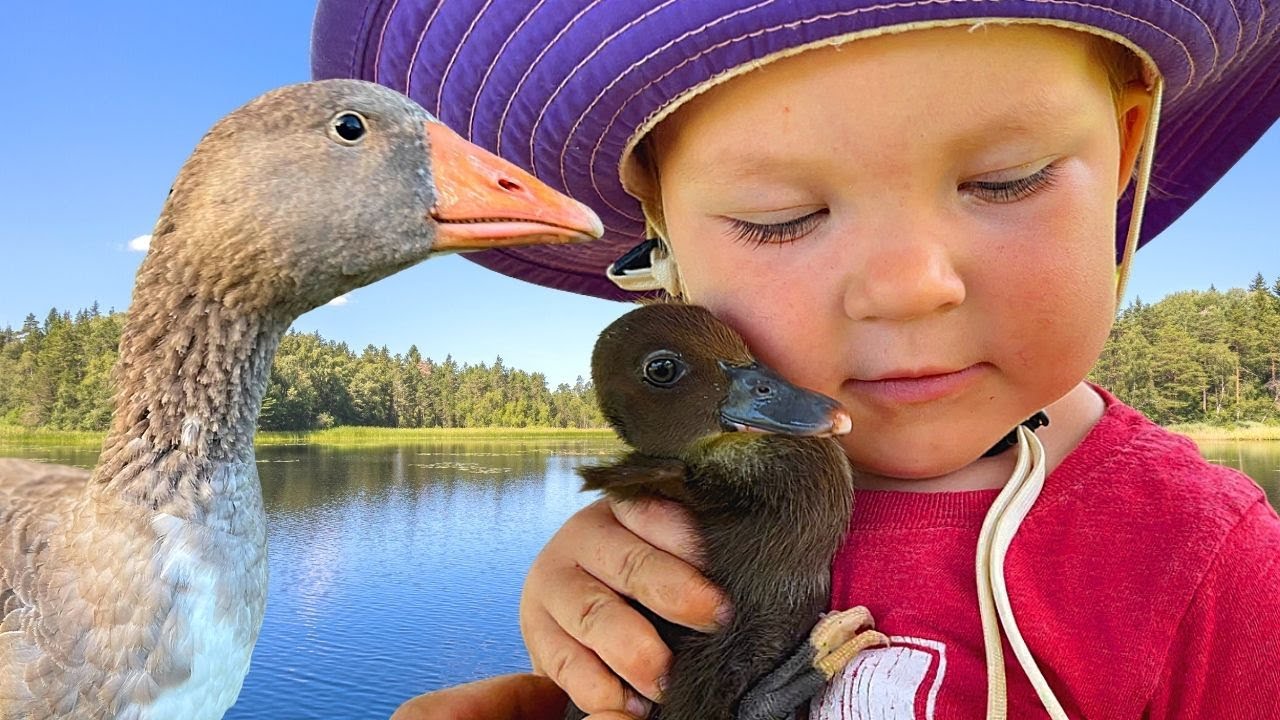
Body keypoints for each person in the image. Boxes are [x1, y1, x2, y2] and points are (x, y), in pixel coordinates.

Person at [311, 1, 1280, 717]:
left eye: (1004, 179)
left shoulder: (1221, 573)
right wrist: (584, 617)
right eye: (780, 220)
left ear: (1120, 154)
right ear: (664, 239)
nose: (908, 285)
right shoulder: (676, 520)